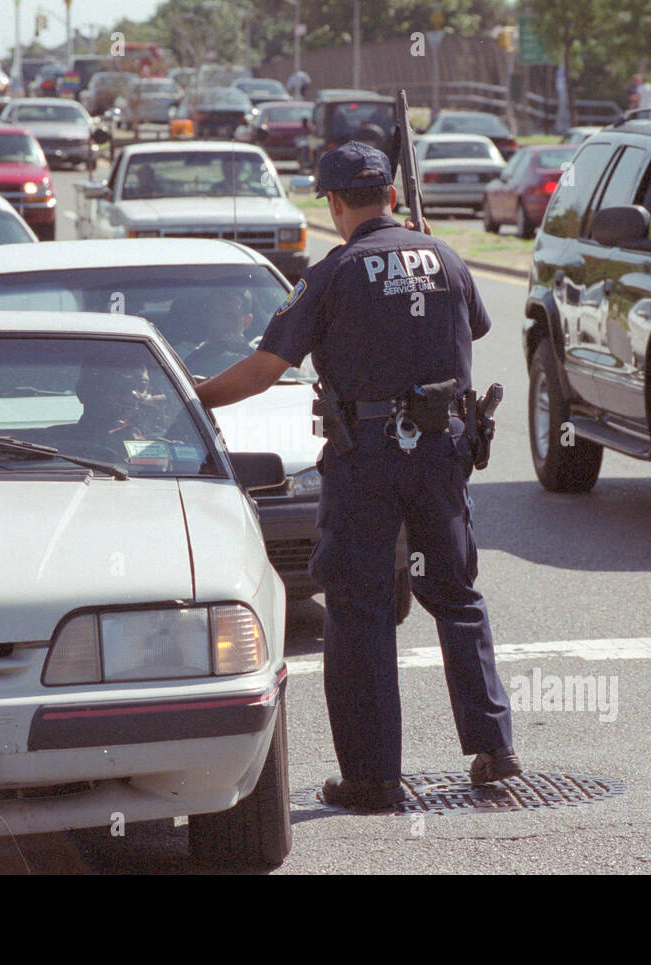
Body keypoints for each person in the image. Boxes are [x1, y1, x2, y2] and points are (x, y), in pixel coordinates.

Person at [194, 141, 520, 810]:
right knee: (456, 595)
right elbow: (477, 326)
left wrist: (192, 397)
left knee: (360, 605)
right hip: (442, 448)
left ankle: (373, 778)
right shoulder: (450, 259)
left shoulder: (333, 272)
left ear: (336, 203)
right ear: (393, 198)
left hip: (367, 453)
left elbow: (264, 370)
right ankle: (495, 747)